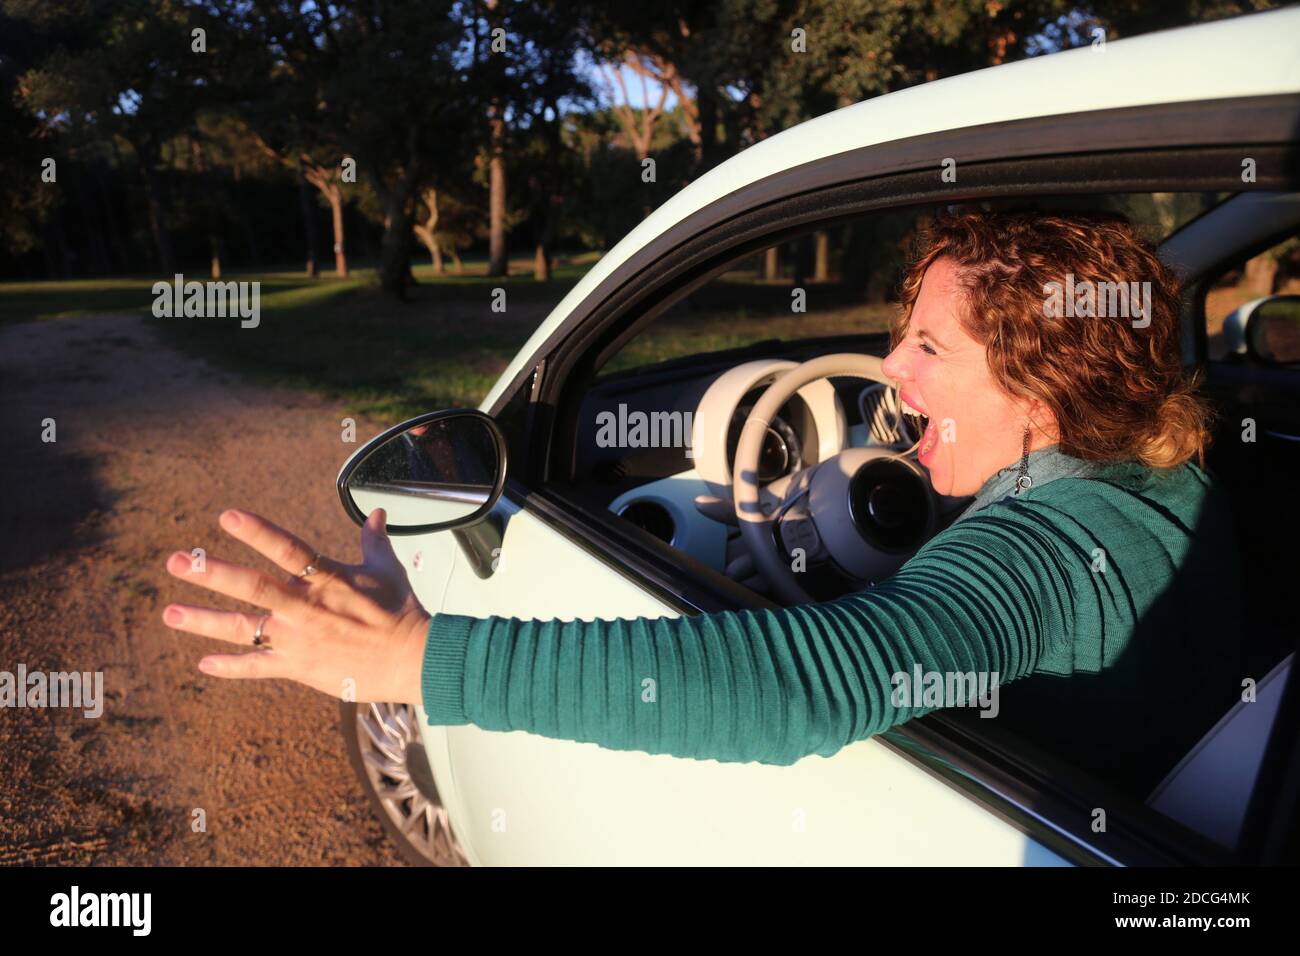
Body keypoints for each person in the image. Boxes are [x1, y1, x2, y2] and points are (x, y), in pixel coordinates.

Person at [162, 210, 1246, 799]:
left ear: (1041, 392)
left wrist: (416, 657)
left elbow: (814, 680)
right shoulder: (1163, 471)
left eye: (928, 345)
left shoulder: (1046, 554)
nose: (889, 368)